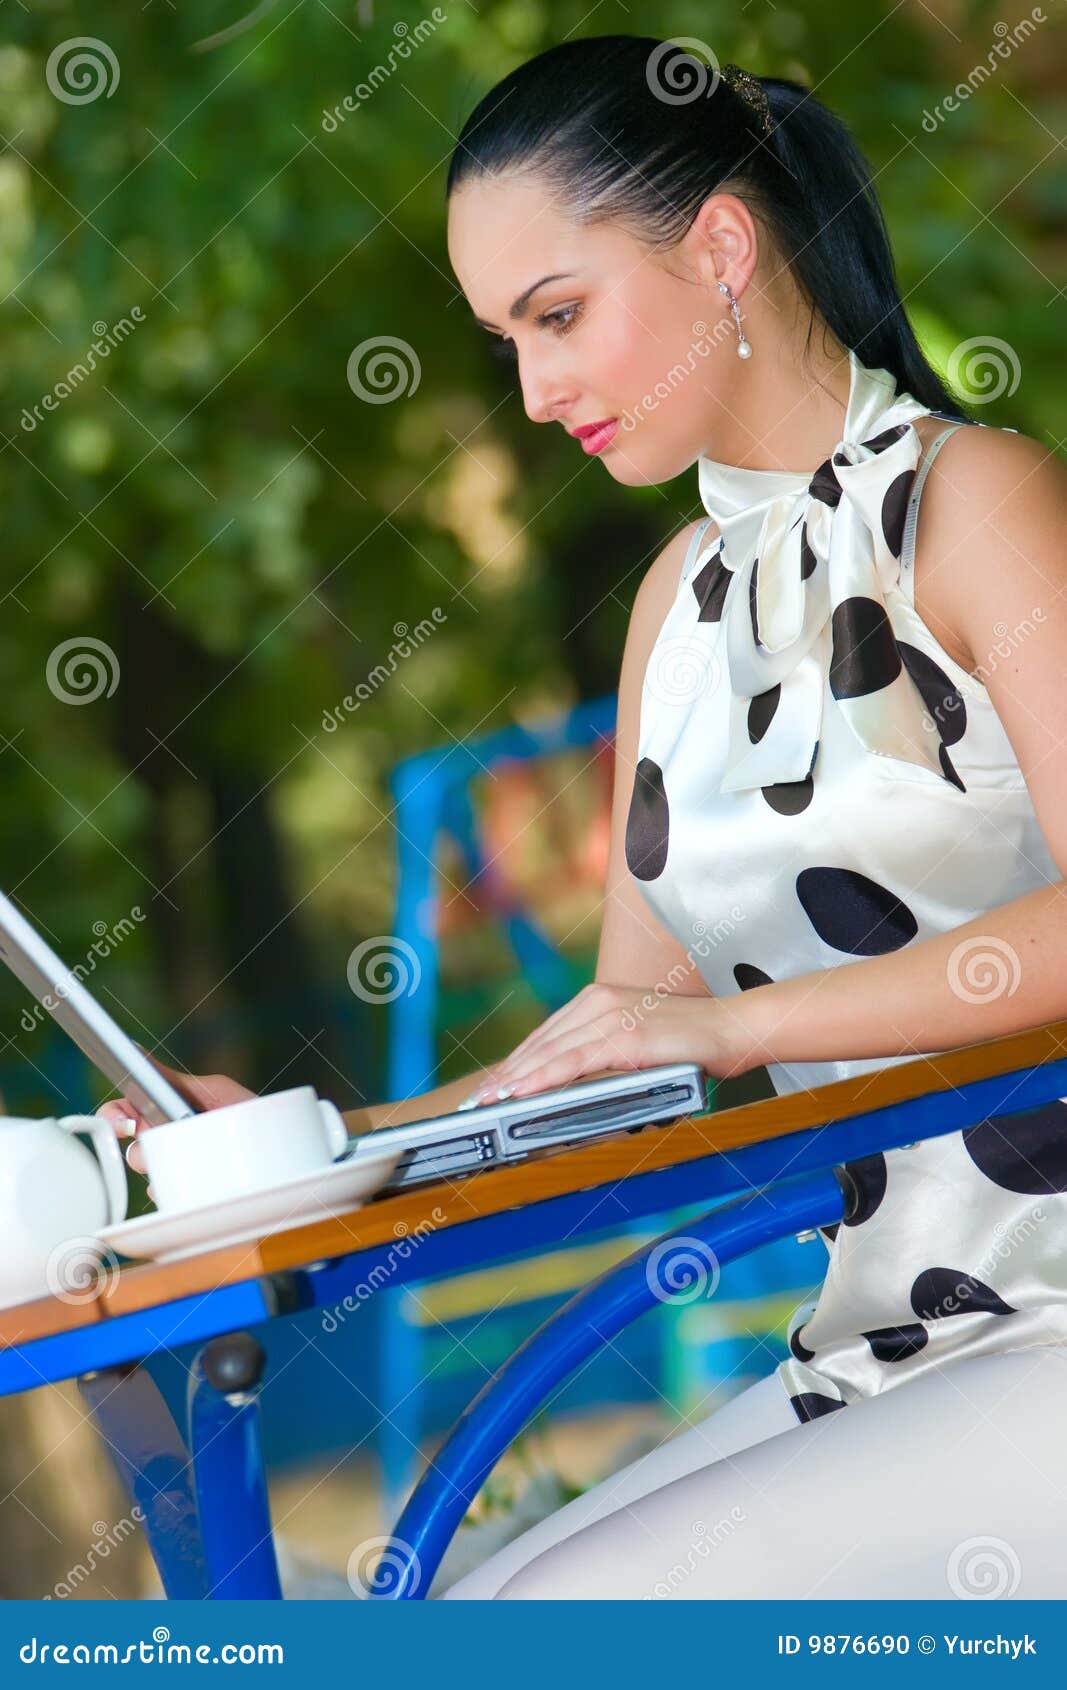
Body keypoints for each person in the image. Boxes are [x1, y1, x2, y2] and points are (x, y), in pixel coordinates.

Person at [101, 40, 1067, 1599]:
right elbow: (615, 1060)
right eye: (509, 342)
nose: (539, 390)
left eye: (560, 316)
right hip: (887, 1346)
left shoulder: (978, 503)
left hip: (1049, 1327)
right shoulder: (678, 613)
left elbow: (702, 1040)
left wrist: (739, 1035)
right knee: (448, 1607)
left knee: (525, 1625)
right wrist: (289, 1147)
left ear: (724, 248)